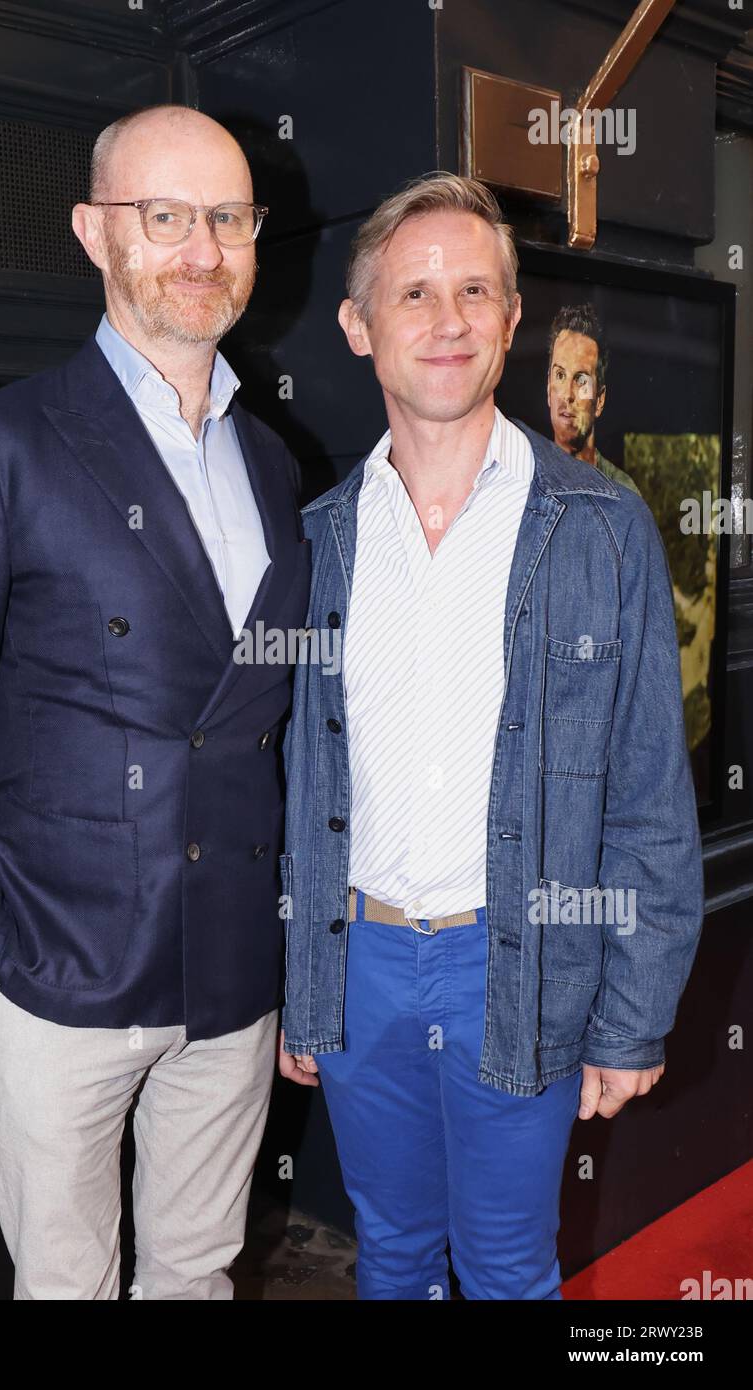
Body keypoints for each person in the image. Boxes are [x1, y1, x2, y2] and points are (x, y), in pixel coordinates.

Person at [0, 104, 310, 1300]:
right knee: (64, 1284)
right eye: (162, 215)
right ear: (90, 231)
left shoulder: (273, 464)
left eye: (228, 217)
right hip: (55, 966)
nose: (201, 248)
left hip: (228, 969)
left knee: (197, 1273)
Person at [278, 172, 703, 1300]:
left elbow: (649, 795)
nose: (448, 319)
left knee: (511, 1267)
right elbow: (290, 774)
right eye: (413, 293)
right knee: (395, 1255)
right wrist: (309, 982)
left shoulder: (602, 529)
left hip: (516, 962)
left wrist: (631, 1018)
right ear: (359, 327)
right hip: (363, 960)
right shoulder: (316, 538)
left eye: (475, 289)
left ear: (512, 319)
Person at [547, 302, 642, 495]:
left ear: (599, 400)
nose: (567, 394)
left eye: (581, 380)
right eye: (560, 375)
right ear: (548, 389)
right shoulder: (524, 478)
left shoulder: (624, 493)